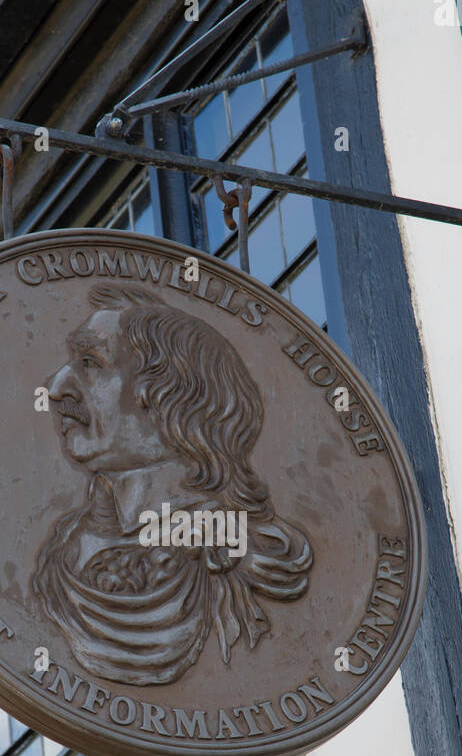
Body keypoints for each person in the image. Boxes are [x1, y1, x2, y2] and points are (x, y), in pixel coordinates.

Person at [32, 283, 313, 685]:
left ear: (167, 396)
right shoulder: (64, 552)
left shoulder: (249, 554)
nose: (57, 388)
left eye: (91, 363)